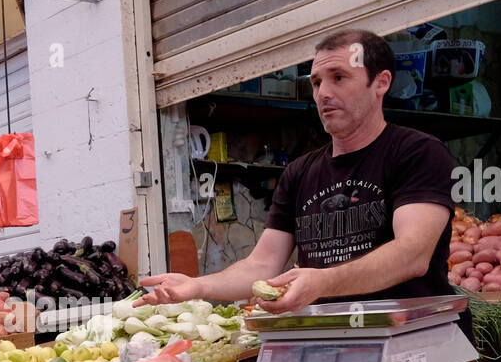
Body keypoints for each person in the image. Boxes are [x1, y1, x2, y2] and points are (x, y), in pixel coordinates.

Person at [140, 29, 466, 334]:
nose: (323, 93)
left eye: (339, 77)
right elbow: (263, 263)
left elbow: (412, 254)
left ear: (380, 82)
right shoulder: (299, 172)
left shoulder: (416, 153)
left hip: (414, 338)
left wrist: (322, 282)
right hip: (328, 341)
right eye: (316, 82)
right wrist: (198, 287)